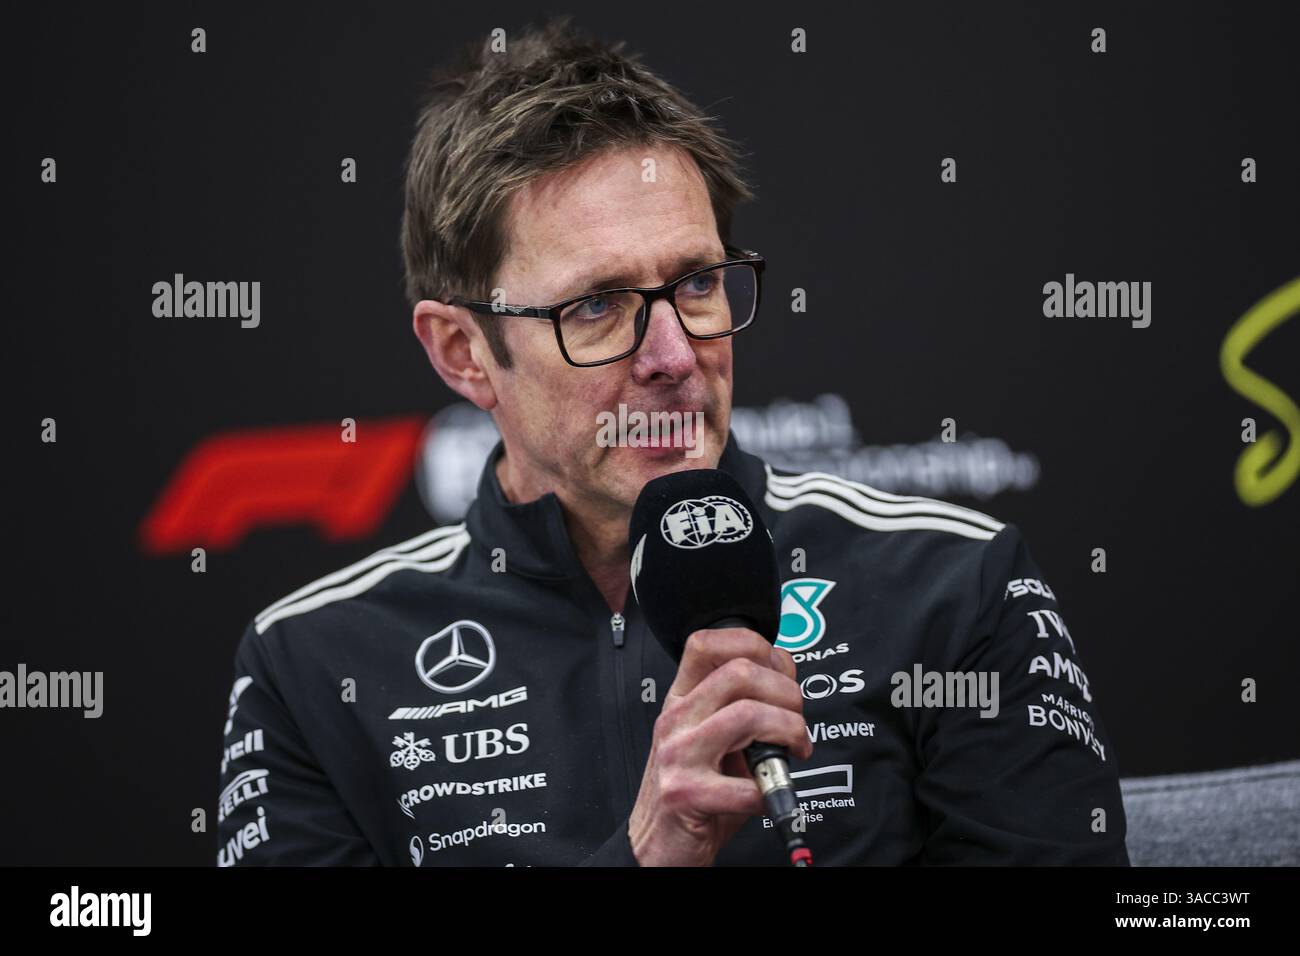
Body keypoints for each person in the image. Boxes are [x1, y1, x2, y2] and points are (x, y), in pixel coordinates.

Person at [216, 16, 1129, 867]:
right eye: (598, 305)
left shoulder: (952, 585)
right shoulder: (312, 666)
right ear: (465, 354)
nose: (674, 356)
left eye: (697, 283)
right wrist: (649, 852)